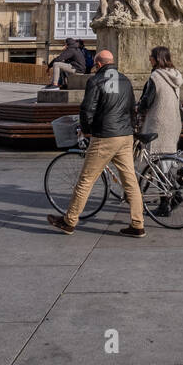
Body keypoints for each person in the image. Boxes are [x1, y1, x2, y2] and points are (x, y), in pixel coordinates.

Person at [47, 50, 145, 238]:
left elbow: (87, 109)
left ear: (98, 64)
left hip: (105, 136)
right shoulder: (125, 80)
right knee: (130, 181)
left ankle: (69, 221)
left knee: (86, 180)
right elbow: (132, 108)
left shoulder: (96, 80)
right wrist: (130, 129)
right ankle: (138, 224)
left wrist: (86, 129)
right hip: (125, 136)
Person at [137, 47, 183, 217]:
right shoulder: (175, 74)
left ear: (157, 58)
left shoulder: (156, 76)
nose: (149, 58)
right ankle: (176, 195)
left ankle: (165, 204)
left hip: (159, 124)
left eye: (151, 56)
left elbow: (146, 101)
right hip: (173, 123)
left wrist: (137, 109)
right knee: (165, 161)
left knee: (158, 162)